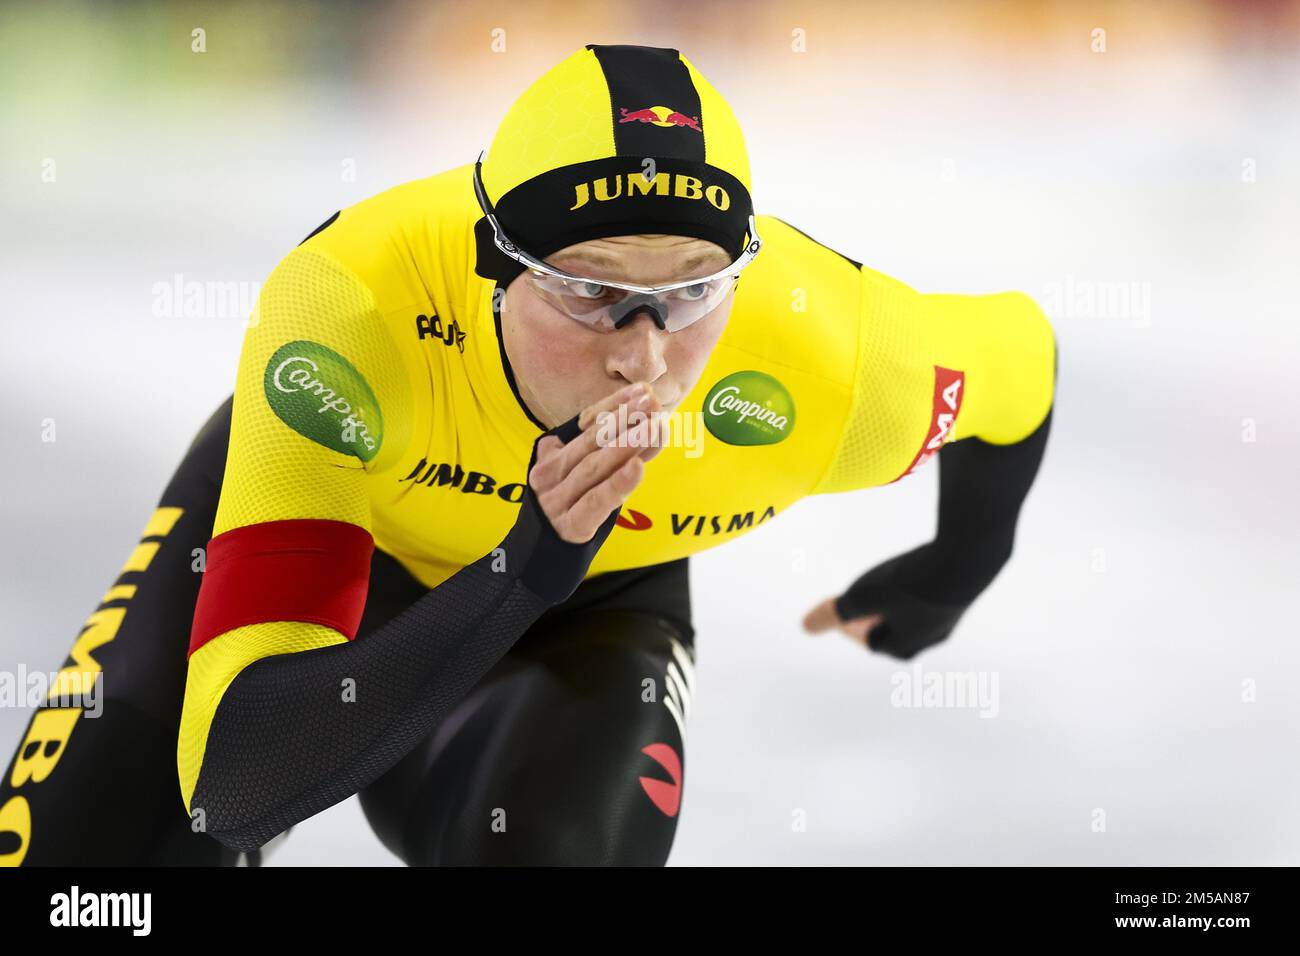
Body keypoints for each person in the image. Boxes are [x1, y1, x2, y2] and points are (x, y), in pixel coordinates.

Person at [0, 43, 1055, 867]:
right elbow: (234, 780)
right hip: (352, 530)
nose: (642, 354)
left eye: (690, 290)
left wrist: (957, 565)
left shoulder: (836, 359)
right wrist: (519, 567)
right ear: (492, 265)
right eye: (591, 289)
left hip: (586, 599)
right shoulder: (351, 313)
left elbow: (1021, 360)